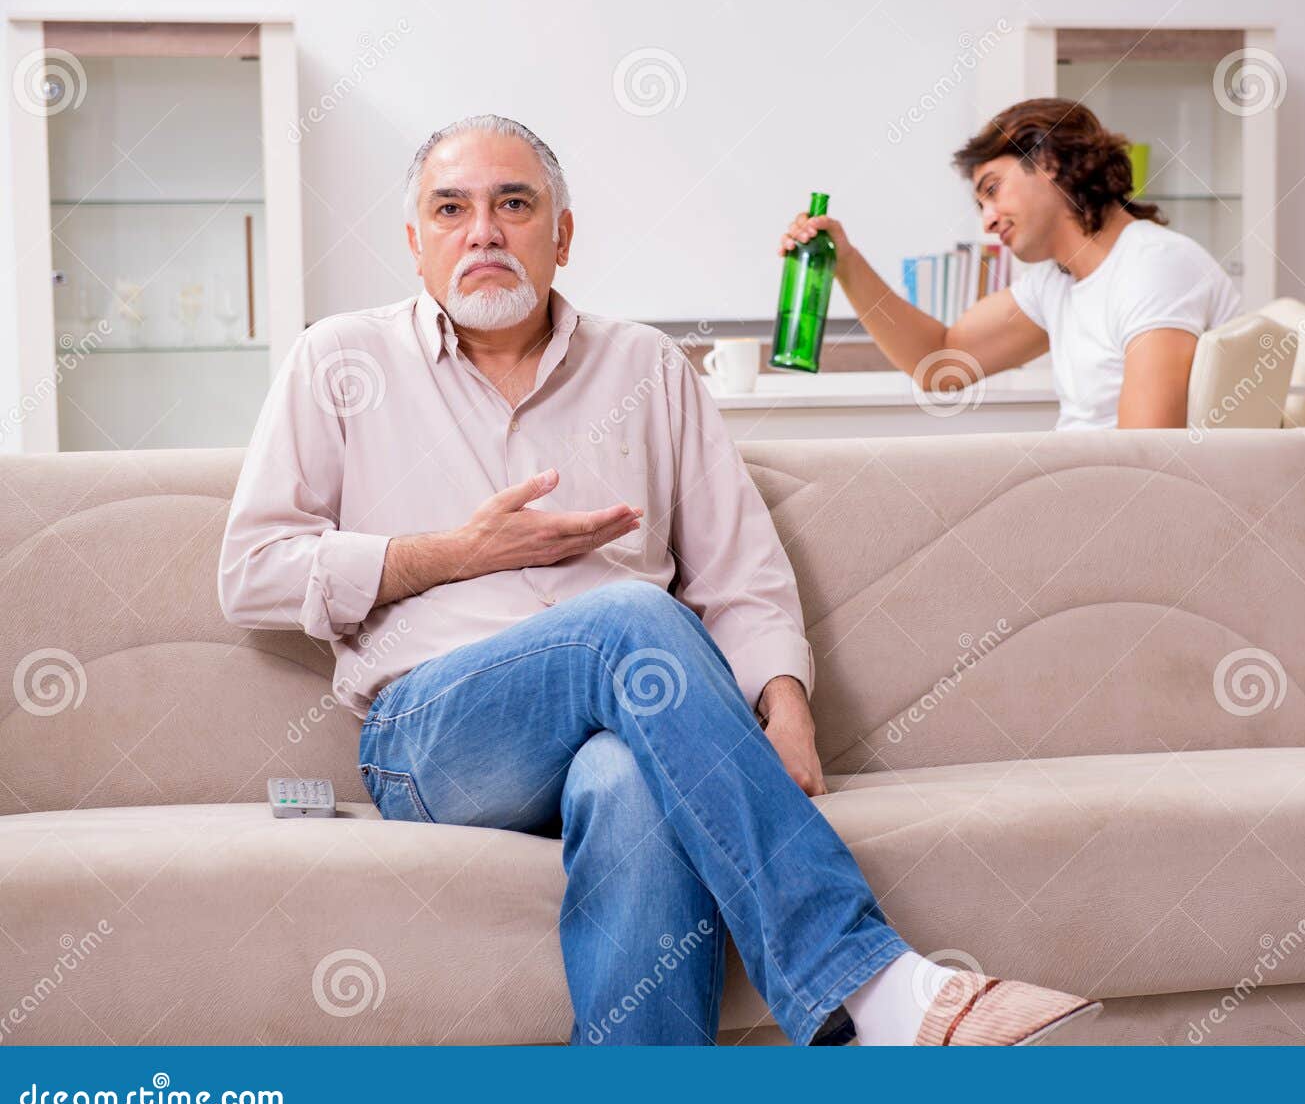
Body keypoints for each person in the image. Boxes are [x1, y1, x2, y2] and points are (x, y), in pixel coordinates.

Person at [217, 114, 1102, 1047]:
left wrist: (785, 705)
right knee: (625, 619)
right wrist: (453, 554)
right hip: (438, 739)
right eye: (451, 209)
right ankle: (875, 987)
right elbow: (251, 572)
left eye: (514, 204)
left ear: (561, 235)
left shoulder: (646, 367)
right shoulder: (339, 361)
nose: (483, 230)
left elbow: (741, 572)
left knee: (628, 778)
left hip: (639, 726)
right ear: (415, 241)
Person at [780, 98, 1242, 429]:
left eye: (993, 189)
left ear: (1050, 163)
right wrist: (847, 264)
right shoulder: (1057, 283)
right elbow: (940, 361)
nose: (987, 220)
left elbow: (1147, 459)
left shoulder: (1153, 267)